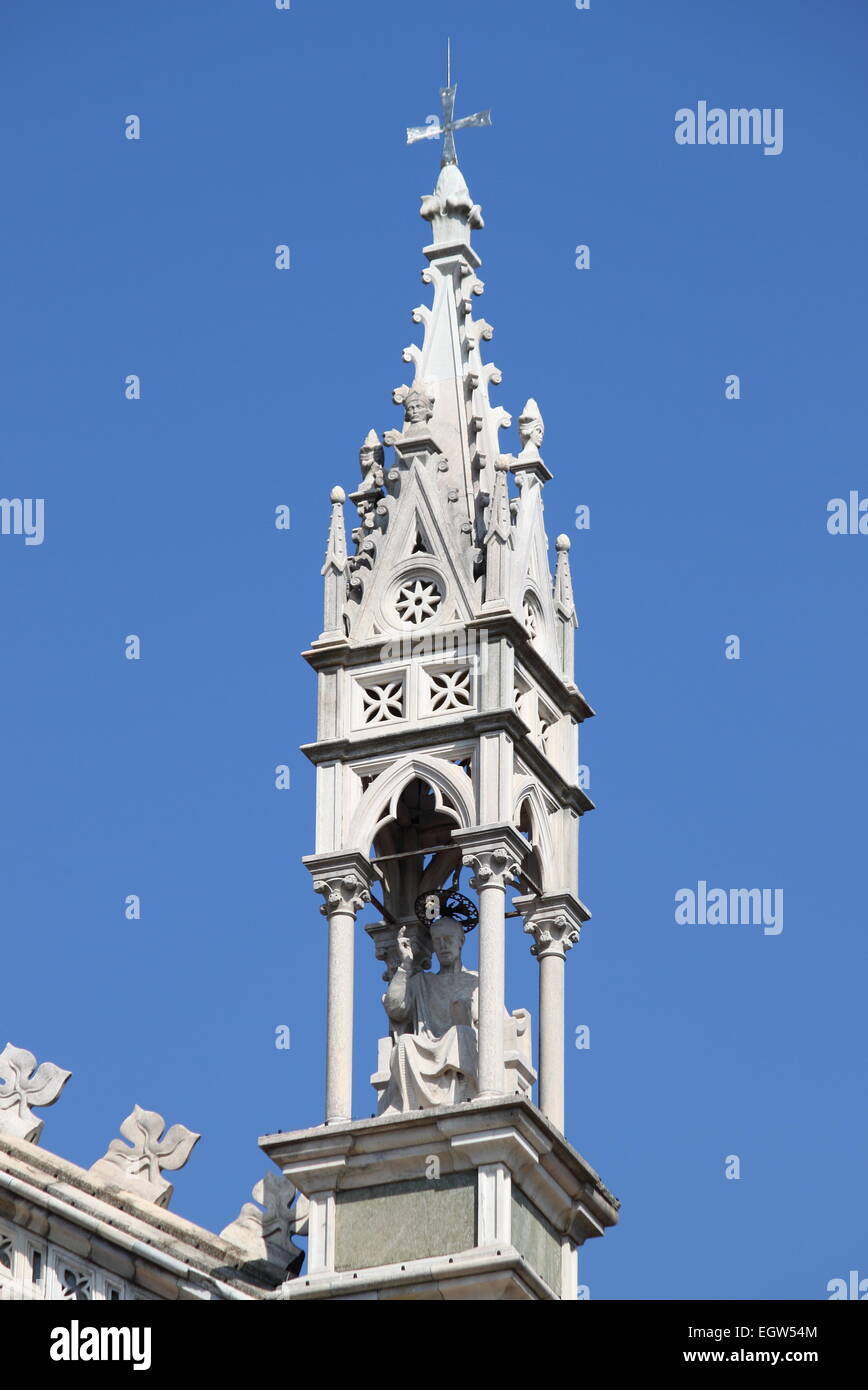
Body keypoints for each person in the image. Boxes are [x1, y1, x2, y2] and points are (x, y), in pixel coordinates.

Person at [378, 916, 479, 1115]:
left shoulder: (475, 981)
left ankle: (466, 1093)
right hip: (426, 1044)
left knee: (461, 1034)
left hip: (458, 1041)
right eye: (437, 941)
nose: (443, 946)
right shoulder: (422, 982)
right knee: (405, 1042)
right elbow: (396, 1009)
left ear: (461, 941)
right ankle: (414, 1102)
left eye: (448, 939)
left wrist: (468, 1013)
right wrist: (405, 966)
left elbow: (491, 1022)